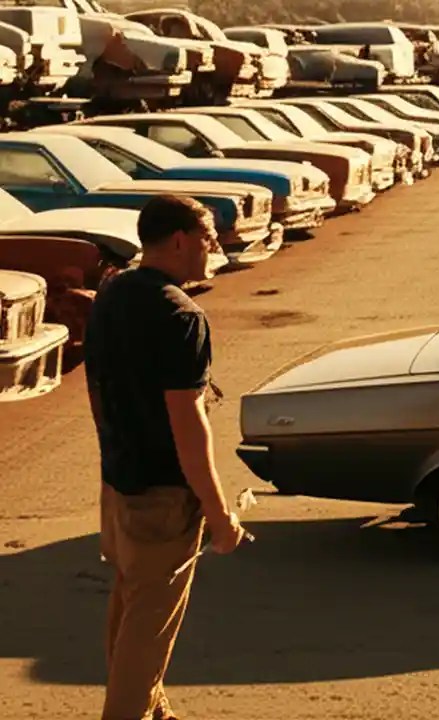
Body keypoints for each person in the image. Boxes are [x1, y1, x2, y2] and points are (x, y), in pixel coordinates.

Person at [85, 194, 246, 720]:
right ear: (179, 240)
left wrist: (113, 453)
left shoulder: (112, 293)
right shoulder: (182, 315)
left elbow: (98, 389)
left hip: (120, 481)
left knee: (132, 608)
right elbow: (187, 422)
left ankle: (154, 712)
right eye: (207, 236)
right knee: (149, 630)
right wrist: (220, 516)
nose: (214, 246)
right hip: (163, 495)